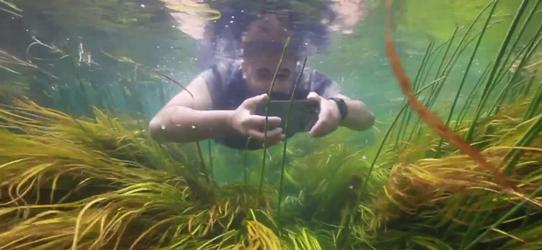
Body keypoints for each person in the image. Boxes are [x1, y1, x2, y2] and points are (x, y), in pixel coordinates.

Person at [149, 10, 374, 149]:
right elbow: (159, 126)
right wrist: (229, 121)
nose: (273, 83)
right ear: (243, 65)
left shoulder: (308, 82)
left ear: (295, 64)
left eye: (282, 73)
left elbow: (366, 118)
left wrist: (339, 109)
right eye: (263, 73)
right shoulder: (223, 77)